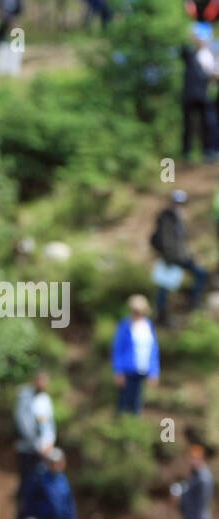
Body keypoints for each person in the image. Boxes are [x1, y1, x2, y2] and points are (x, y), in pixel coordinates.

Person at [150, 189, 208, 325]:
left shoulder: (177, 217)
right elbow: (168, 240)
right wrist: (170, 258)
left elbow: (181, 241)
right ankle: (162, 314)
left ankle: (193, 302)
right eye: (177, 202)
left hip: (180, 257)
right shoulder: (167, 218)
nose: (178, 205)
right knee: (164, 287)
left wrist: (189, 256)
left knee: (200, 274)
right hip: (172, 258)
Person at [18, 447, 80, 519]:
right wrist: (29, 518)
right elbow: (29, 500)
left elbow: (68, 502)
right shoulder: (38, 479)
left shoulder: (62, 480)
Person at [14, 369, 56, 519]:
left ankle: (37, 517)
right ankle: (22, 518)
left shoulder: (45, 399)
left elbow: (49, 424)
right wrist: (38, 446)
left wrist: (49, 443)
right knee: (27, 483)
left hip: (44, 450)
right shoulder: (26, 398)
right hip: (28, 450)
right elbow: (25, 424)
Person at [111, 294, 160, 415]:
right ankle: (122, 426)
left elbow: (153, 351)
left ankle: (134, 426)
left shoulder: (148, 326)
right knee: (124, 401)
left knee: (137, 402)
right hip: (128, 370)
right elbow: (118, 349)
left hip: (142, 369)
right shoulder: (125, 325)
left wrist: (154, 371)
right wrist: (118, 371)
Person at [181, 24, 218, 162]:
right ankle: (186, 153)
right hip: (190, 94)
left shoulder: (210, 55)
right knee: (188, 125)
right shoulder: (190, 53)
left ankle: (208, 152)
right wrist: (190, 36)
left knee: (208, 124)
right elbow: (183, 50)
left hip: (204, 95)